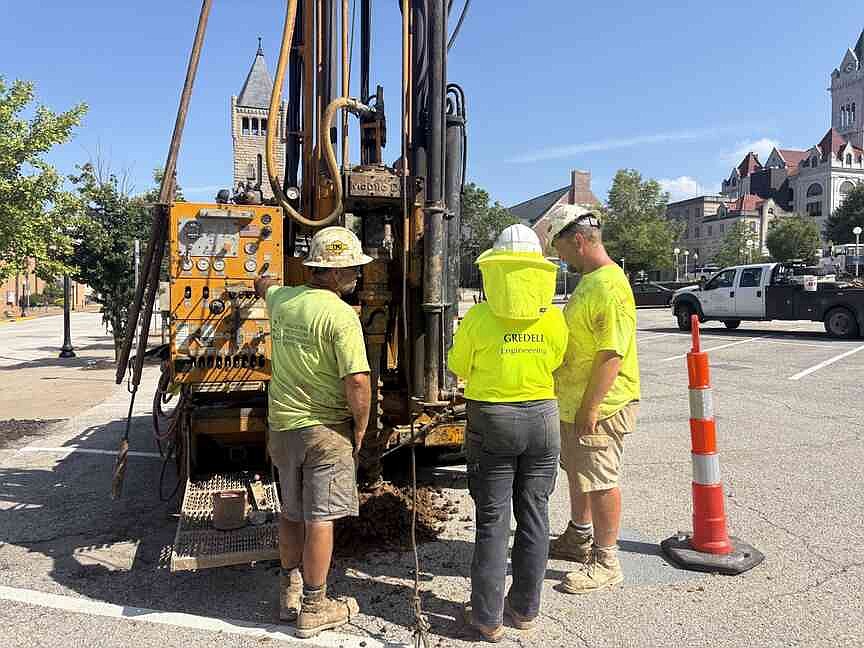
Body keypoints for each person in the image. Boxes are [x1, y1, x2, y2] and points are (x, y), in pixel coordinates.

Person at [448, 224, 569, 642]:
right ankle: (525, 609)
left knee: (494, 520)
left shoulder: (480, 317)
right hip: (543, 418)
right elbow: (556, 362)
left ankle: (487, 617)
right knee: (535, 515)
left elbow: (459, 367)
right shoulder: (553, 317)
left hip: (493, 419)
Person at [255, 226, 373, 638]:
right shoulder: (342, 316)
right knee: (321, 519)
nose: (358, 274)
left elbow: (263, 283)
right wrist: (361, 426)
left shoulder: (282, 300)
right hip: (326, 430)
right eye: (354, 268)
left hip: (284, 427)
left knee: (291, 511)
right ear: (337, 273)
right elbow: (357, 380)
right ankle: (315, 606)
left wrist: (264, 272)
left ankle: (288, 591)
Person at [546, 205, 641, 594]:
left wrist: (591, 406)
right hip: (575, 402)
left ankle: (606, 560)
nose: (561, 259)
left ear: (580, 241)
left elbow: (611, 353)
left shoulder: (609, 285)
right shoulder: (590, 281)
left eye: (562, 250)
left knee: (600, 479)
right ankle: (578, 537)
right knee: (580, 472)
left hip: (600, 406)